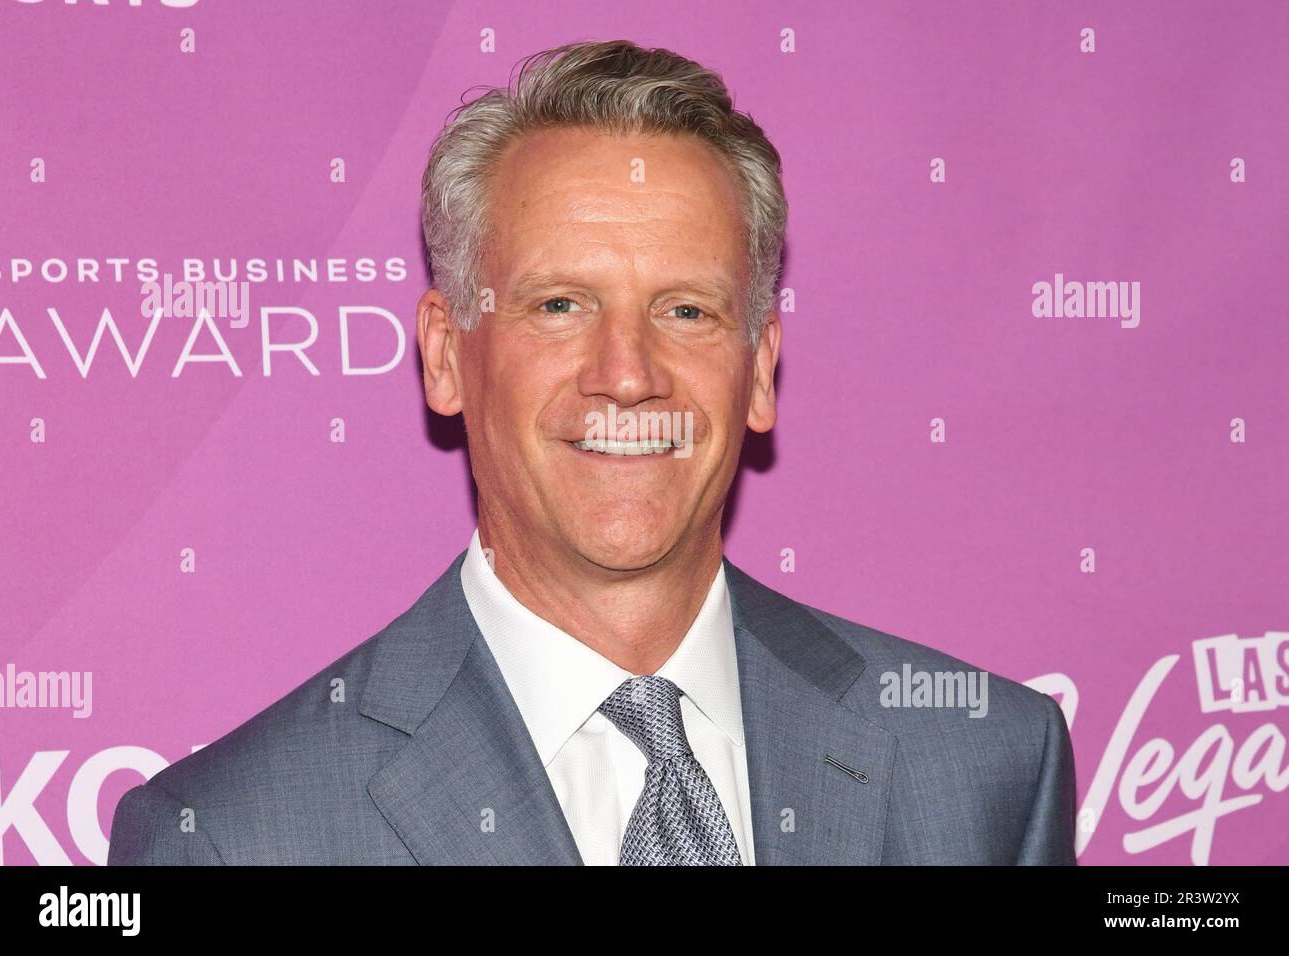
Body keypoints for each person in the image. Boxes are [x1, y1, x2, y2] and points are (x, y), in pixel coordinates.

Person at [108, 38, 1076, 866]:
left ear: (759, 371)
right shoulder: (234, 839)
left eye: (686, 310)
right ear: (447, 355)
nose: (626, 373)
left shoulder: (982, 772)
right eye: (559, 305)